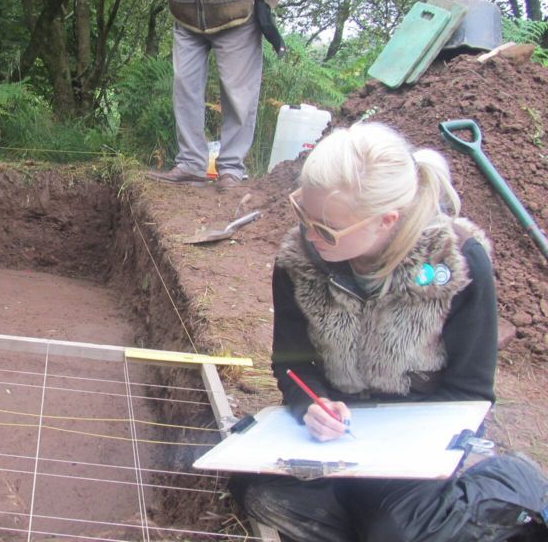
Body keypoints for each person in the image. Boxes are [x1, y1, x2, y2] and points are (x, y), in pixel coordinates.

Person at [227, 123, 548, 541]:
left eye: (326, 228)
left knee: (394, 528)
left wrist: (392, 455)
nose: (308, 234)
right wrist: (313, 404)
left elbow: (470, 394)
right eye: (301, 213)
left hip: (419, 440)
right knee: (257, 491)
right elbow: (291, 364)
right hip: (337, 436)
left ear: (386, 221)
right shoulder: (299, 261)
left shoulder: (457, 263)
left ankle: (510, 480)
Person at [148, 0, 294, 190]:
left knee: (238, 94)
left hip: (237, 8)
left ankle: (231, 169)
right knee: (184, 87)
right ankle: (190, 164)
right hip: (185, 9)